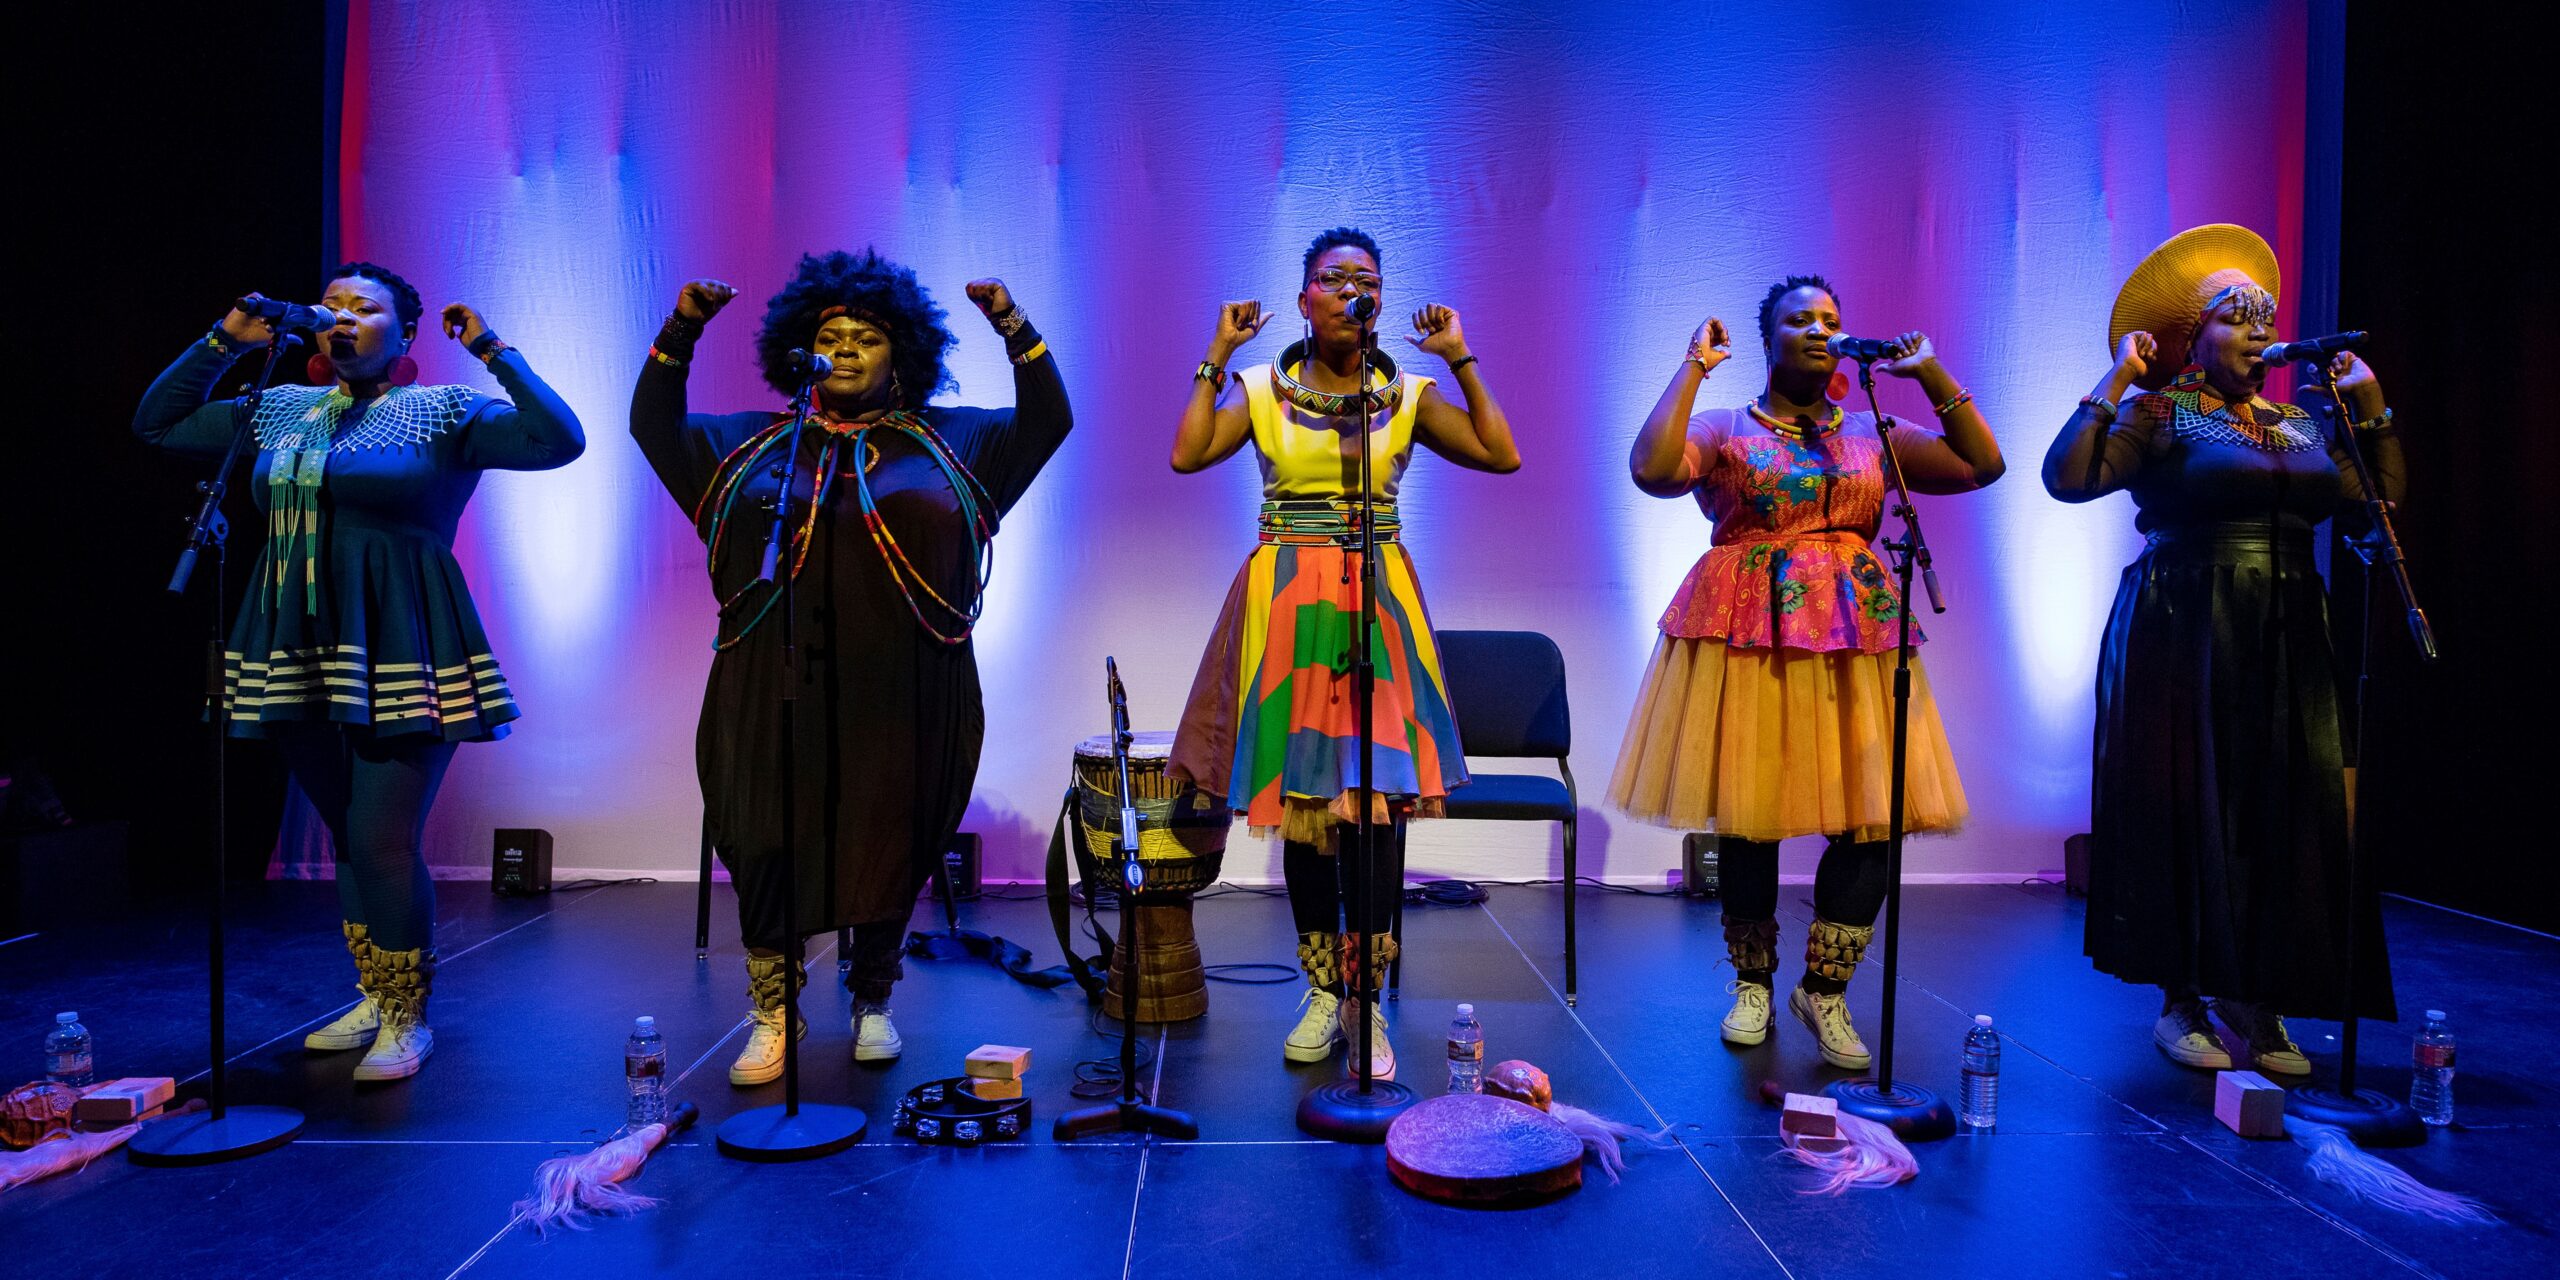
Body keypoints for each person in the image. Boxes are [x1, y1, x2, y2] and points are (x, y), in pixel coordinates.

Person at [134, 262, 586, 1082]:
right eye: (331, 307)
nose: (341, 318)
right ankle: (374, 994)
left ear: (404, 331)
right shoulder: (278, 411)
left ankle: (408, 1015)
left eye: (363, 308)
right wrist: (224, 341)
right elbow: (158, 424)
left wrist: (493, 350)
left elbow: (559, 440)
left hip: (404, 640)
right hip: (294, 644)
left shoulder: (443, 411)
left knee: (381, 838)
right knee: (347, 834)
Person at [631, 250, 1070, 1085]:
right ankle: (773, 1011)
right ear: (801, 349)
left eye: (867, 336)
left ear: (901, 352)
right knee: (763, 836)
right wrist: (682, 328)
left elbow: (1047, 422)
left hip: (905, 686)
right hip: (770, 682)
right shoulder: (747, 445)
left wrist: (1012, 325)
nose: (848, 349)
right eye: (831, 336)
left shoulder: (954, 438)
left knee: (888, 837)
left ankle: (874, 999)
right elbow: (655, 428)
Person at [1612, 275, 2002, 1069]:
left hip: (1857, 633)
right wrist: (1693, 367)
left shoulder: (1874, 432)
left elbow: (1980, 466)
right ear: (1769, 338)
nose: (1820, 331)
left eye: (1832, 319)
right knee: (1751, 816)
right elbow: (1652, 470)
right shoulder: (1726, 427)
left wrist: (1929, 372)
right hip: (1753, 629)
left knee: (1872, 817)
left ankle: (1824, 990)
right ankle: (1754, 984)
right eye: (1801, 320)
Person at [2043, 225, 2400, 1075]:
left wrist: (2373, 405)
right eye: (2236, 319)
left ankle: (2260, 998)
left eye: (2264, 319)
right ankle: (2182, 997)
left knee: (2282, 805)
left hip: (2287, 622)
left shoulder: (2299, 421)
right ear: (2192, 340)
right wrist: (2119, 379)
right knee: (2187, 798)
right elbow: (2070, 478)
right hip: (2184, 619)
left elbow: (2376, 502)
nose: (2255, 334)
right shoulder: (2163, 411)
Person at [1168, 227, 1519, 1080]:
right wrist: (1216, 352)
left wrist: (1463, 358)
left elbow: (1501, 455)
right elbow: (1186, 455)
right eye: (1332, 279)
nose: (1349, 290)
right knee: (1305, 804)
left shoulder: (1407, 394)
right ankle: (1324, 990)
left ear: (1380, 302)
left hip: (1376, 600)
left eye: (1366, 279)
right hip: (1288, 601)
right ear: (1303, 300)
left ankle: (1368, 1002)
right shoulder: (1258, 389)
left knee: (1375, 805)